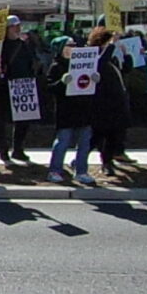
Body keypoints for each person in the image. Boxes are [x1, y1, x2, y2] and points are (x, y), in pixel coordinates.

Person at [45, 36, 96, 186]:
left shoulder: (83, 65)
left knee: (84, 143)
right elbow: (49, 88)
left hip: (84, 109)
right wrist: (61, 82)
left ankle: (81, 171)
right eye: (69, 45)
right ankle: (55, 170)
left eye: (74, 45)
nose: (73, 48)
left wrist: (94, 79)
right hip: (66, 111)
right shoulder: (56, 67)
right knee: (63, 142)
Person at [0, 16, 38, 164]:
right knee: (1, 120)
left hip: (22, 85)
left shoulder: (24, 45)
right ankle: (3, 151)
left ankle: (18, 149)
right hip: (3, 86)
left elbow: (32, 62)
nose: (17, 29)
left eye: (18, 26)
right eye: (13, 26)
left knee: (23, 119)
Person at [87, 28, 130, 178]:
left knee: (114, 134)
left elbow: (126, 70)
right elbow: (101, 63)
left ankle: (107, 162)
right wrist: (111, 45)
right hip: (102, 102)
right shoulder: (95, 56)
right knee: (97, 135)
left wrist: (126, 54)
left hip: (117, 101)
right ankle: (81, 158)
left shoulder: (113, 59)